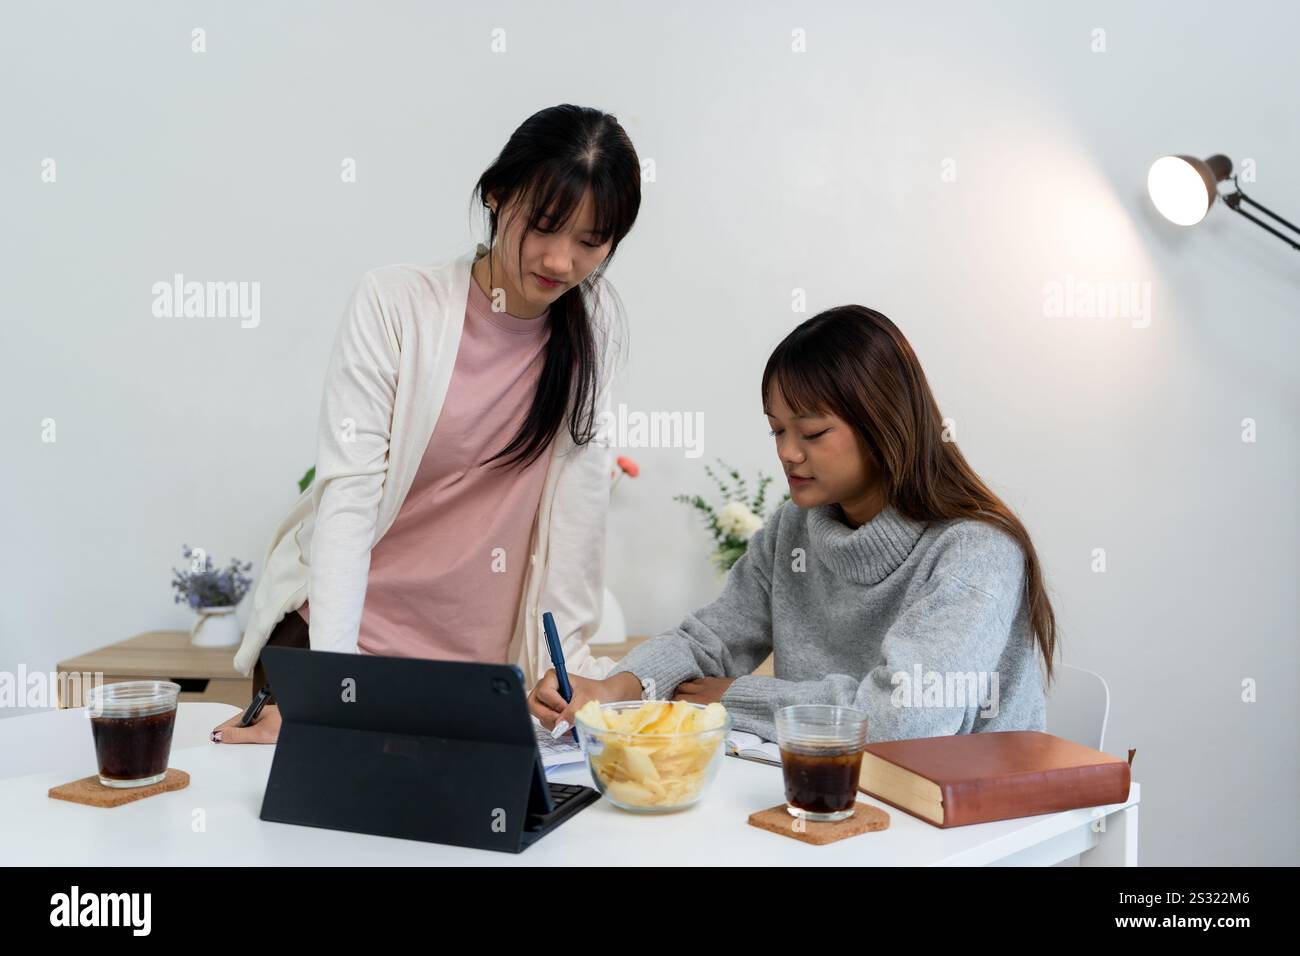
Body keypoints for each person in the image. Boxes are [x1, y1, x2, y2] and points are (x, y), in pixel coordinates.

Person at [213, 105, 642, 744]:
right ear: (497, 195)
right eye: (545, 225)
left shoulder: (590, 331)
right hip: (339, 646)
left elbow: (576, 518)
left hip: (471, 679)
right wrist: (334, 687)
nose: (560, 260)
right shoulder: (395, 304)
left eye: (590, 241)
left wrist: (564, 666)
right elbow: (349, 497)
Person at [530, 306, 1058, 743]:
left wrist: (736, 697)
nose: (787, 452)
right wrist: (617, 688)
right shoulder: (796, 529)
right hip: (832, 798)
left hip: (961, 831)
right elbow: (710, 641)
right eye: (777, 431)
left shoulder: (977, 551)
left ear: (885, 424)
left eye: (812, 432)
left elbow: (905, 720)